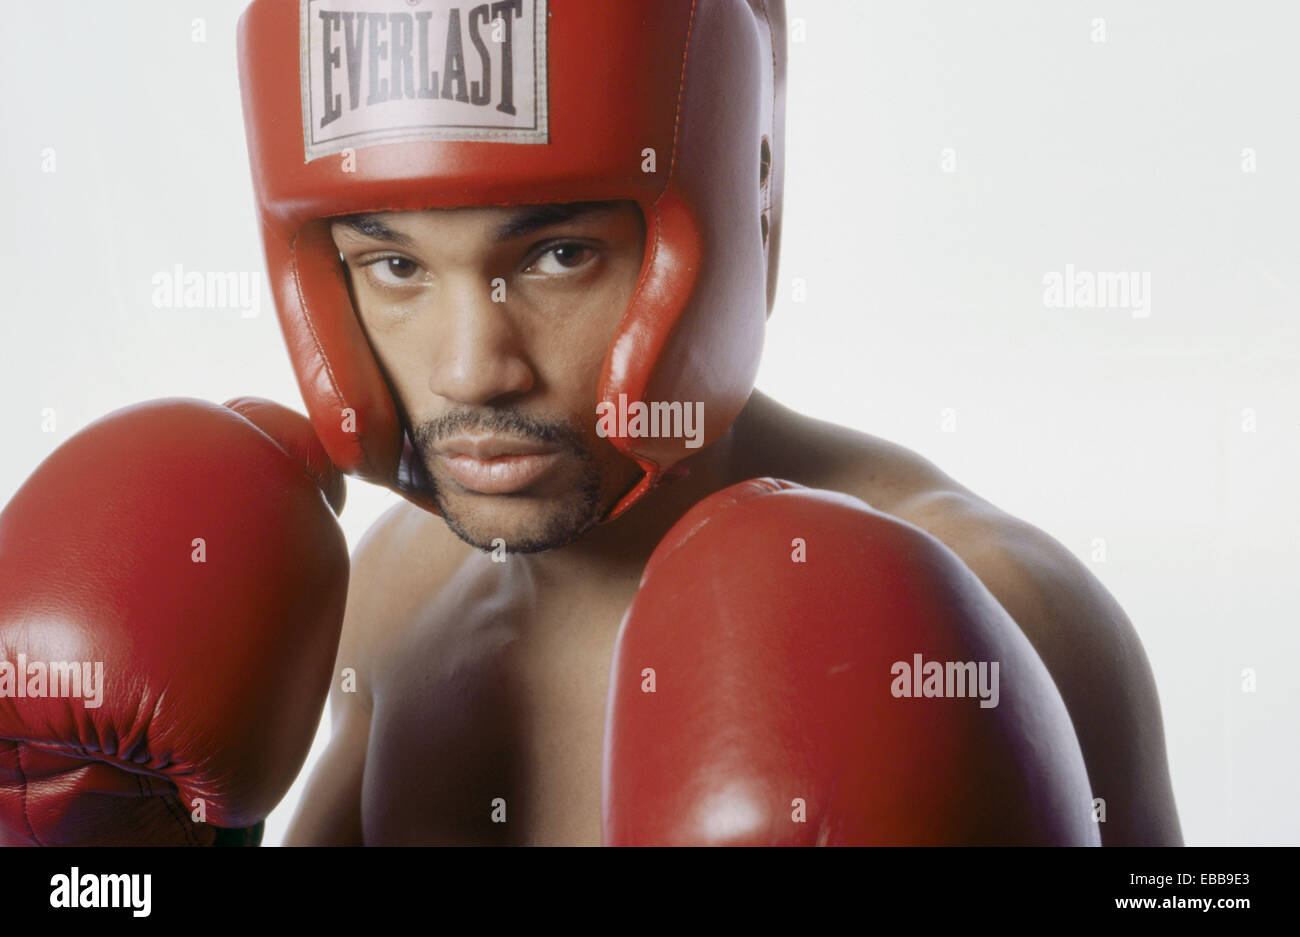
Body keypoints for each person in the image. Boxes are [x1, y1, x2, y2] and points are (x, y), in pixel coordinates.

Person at [0, 0, 1180, 846]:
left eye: (557, 254)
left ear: (738, 199)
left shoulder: (994, 615)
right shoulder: (394, 594)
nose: (471, 368)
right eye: (395, 264)